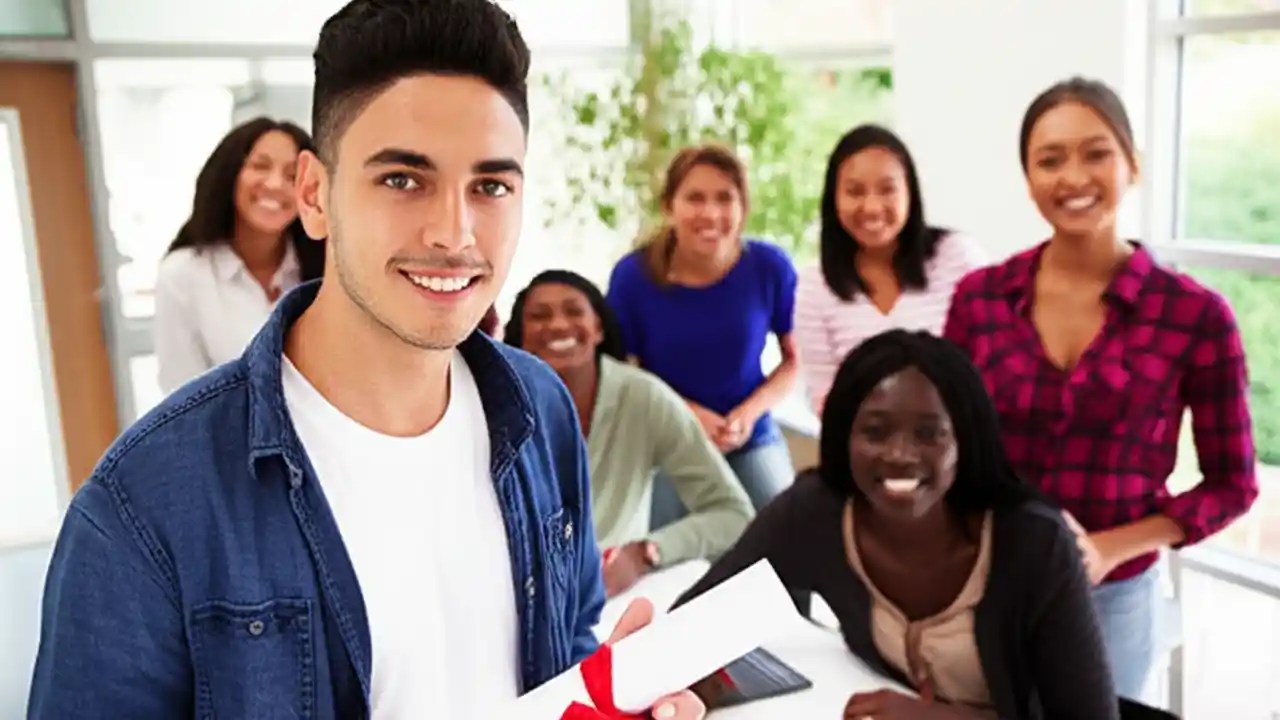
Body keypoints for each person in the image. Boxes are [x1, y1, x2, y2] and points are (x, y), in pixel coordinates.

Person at [27, 2, 703, 718]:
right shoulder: (145, 502)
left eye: (491, 186)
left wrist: (611, 696)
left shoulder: (538, 408)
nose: (454, 231)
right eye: (403, 180)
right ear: (314, 196)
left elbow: (566, 641)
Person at [944, 76, 1258, 700]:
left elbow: (1234, 484)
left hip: (1113, 600)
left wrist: (1111, 548)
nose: (1073, 177)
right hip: (989, 581)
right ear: (1028, 177)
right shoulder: (979, 299)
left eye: (1095, 153)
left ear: (1132, 165)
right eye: (1050, 159)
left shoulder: (1196, 316)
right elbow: (948, 442)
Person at [674, 330, 1119, 720]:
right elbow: (693, 620)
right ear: (843, 436)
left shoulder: (1033, 543)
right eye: (875, 431)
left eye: (929, 434)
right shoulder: (816, 513)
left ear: (965, 441)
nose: (900, 455)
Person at [504, 270, 754, 598]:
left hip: (609, 608)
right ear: (520, 336)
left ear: (599, 328)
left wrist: (646, 553)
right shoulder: (495, 402)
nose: (558, 325)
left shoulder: (645, 399)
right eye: (539, 316)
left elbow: (733, 513)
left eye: (574, 311)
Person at [606, 144, 799, 529]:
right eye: (694, 198)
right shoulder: (632, 277)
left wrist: (749, 413)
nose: (710, 213)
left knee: (788, 536)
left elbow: (796, 359)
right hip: (666, 441)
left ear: (743, 207)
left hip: (747, 437)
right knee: (658, 559)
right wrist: (689, 415)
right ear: (669, 205)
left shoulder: (769, 267)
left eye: (725, 198)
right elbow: (620, 374)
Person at [795, 124, 986, 414]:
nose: (871, 207)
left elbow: (990, 364)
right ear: (833, 198)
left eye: (887, 190)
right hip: (867, 446)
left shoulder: (957, 257)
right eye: (854, 192)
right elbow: (823, 396)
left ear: (910, 193)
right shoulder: (814, 285)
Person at [154, 116, 324, 393]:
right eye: (261, 166)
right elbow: (181, 395)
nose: (275, 184)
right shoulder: (183, 275)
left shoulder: (326, 269)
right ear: (229, 174)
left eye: (293, 176)